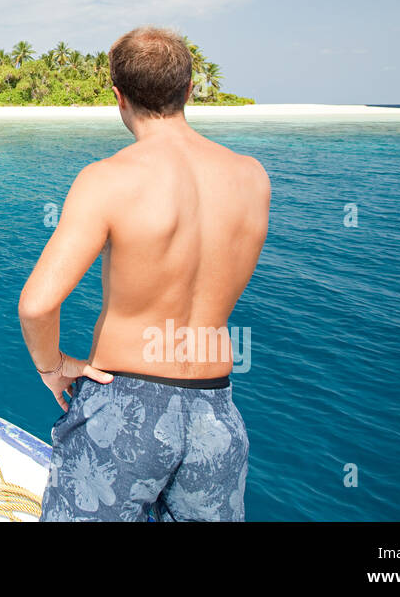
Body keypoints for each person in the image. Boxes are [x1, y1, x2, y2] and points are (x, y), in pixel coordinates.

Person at [19, 26, 270, 521]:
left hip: (125, 407)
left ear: (119, 97)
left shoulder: (108, 179)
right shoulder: (251, 177)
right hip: (215, 413)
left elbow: (37, 304)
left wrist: (54, 368)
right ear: (190, 90)